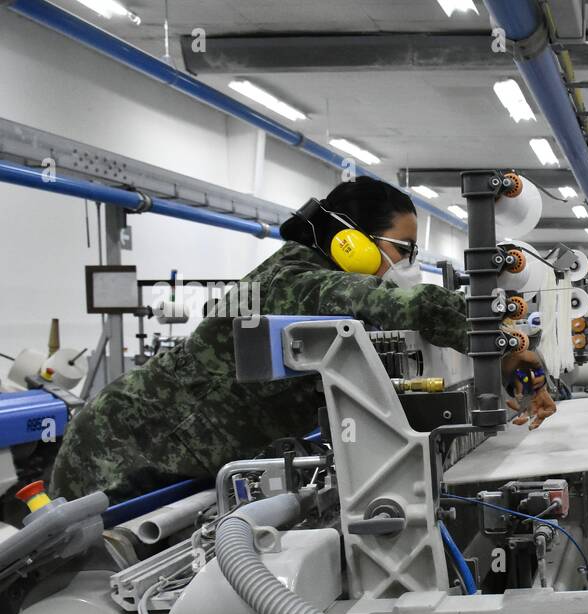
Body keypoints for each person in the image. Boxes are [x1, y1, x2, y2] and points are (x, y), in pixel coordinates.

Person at [51, 178, 554, 503]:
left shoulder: (306, 283)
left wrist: (509, 361)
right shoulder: (293, 280)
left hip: (177, 456)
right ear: (349, 239)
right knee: (86, 584)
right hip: (123, 449)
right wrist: (507, 342)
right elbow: (403, 306)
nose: (402, 265)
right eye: (401, 249)